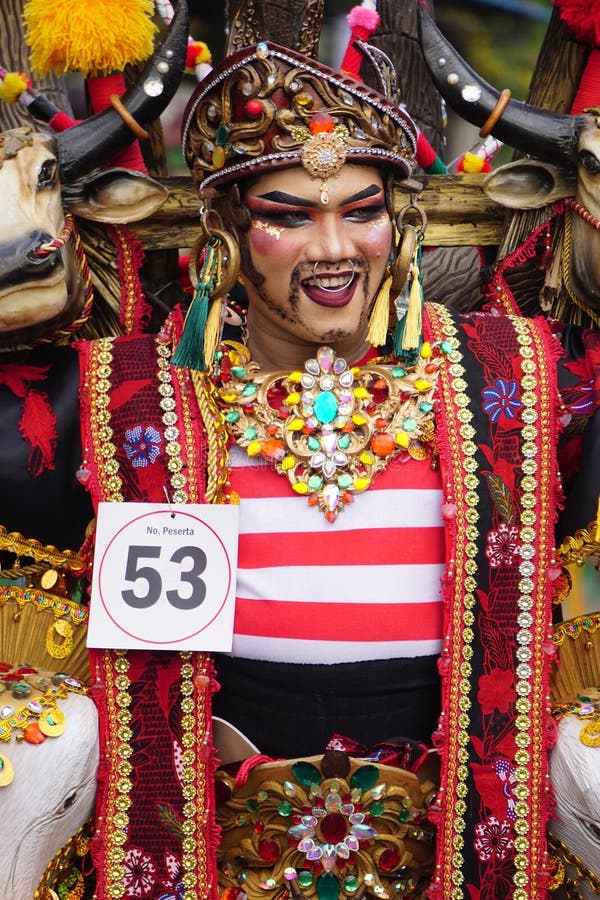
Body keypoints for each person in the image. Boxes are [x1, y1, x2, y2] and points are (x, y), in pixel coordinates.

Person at [72, 30, 600, 900]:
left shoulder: (512, 381)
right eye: (288, 215)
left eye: (361, 211)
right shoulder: (138, 396)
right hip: (217, 852)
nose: (333, 248)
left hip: (448, 850)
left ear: (402, 225)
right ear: (227, 232)